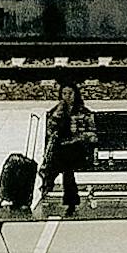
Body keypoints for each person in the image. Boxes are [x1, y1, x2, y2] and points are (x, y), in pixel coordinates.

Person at [38, 71, 93, 217]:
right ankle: (69, 200)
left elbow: (91, 134)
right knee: (64, 166)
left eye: (70, 93)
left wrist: (78, 138)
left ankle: (48, 187)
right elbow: (51, 130)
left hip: (78, 150)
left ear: (75, 94)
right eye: (64, 93)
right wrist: (58, 115)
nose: (67, 96)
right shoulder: (56, 111)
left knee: (64, 166)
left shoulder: (83, 112)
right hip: (62, 150)